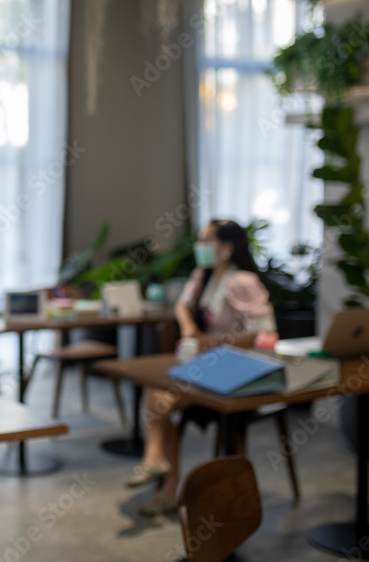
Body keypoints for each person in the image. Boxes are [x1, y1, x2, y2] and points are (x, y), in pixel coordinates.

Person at [124, 219, 276, 516]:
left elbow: (265, 334)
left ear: (227, 248)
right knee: (159, 392)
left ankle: (161, 472)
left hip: (239, 369)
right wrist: (191, 328)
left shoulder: (243, 281)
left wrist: (212, 341)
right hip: (211, 366)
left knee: (161, 394)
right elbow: (182, 305)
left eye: (207, 240)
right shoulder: (204, 276)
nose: (200, 247)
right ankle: (162, 474)